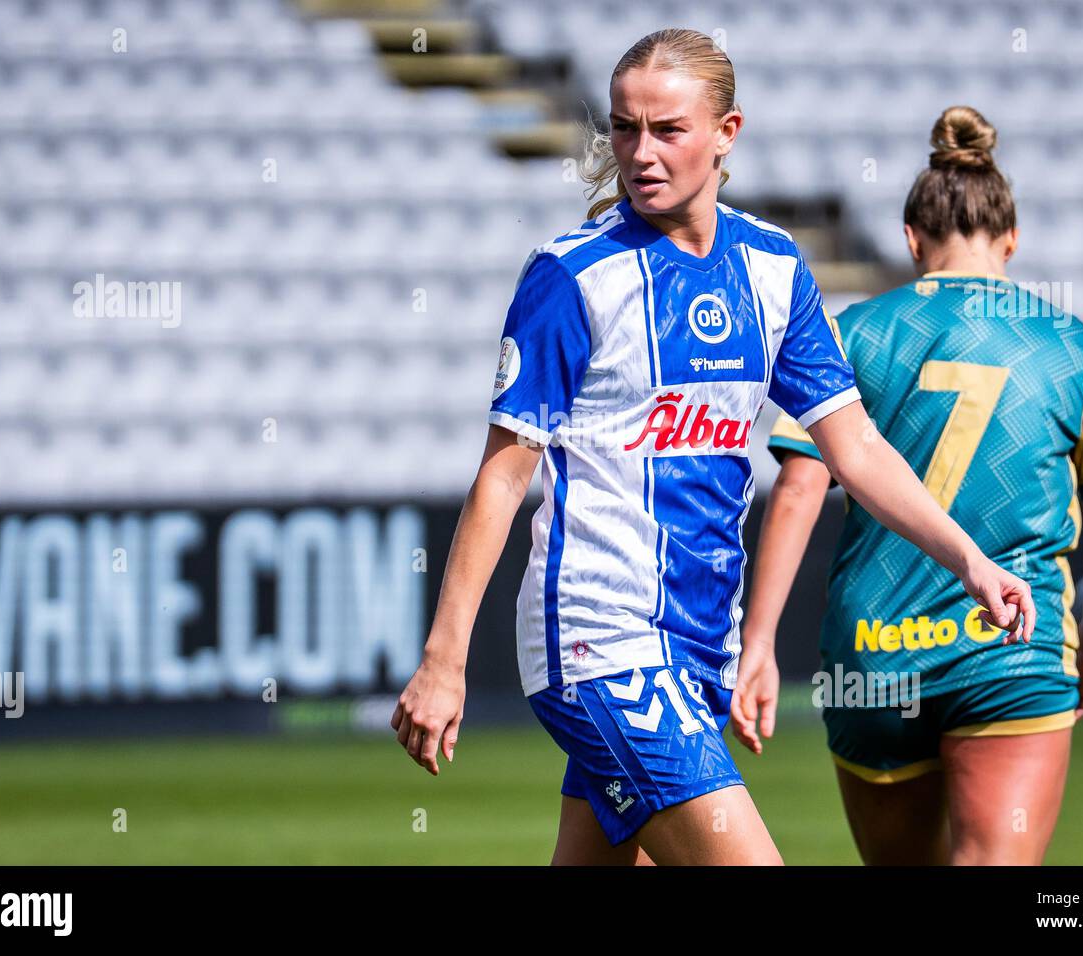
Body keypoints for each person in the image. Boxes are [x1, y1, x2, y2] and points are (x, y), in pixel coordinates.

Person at [393, 35, 1035, 866]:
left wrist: (970, 561)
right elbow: (502, 478)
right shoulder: (572, 277)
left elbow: (856, 449)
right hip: (601, 642)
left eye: (668, 129)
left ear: (728, 131)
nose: (641, 152)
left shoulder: (770, 266)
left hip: (699, 647)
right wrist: (445, 662)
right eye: (625, 129)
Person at [734, 105, 1083, 865]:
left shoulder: (854, 331)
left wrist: (758, 643)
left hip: (875, 654)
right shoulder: (1074, 347)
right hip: (1013, 647)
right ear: (1012, 242)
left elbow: (795, 490)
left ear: (911, 240)